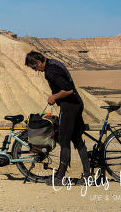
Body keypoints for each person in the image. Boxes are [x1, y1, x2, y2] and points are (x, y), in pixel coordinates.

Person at [25, 50, 91, 183]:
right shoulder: (53, 63)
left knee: (64, 139)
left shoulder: (50, 72)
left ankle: (60, 177)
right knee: (77, 139)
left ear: (38, 62)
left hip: (70, 106)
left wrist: (54, 96)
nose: (36, 70)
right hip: (76, 104)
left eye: (34, 67)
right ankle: (87, 175)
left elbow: (68, 90)